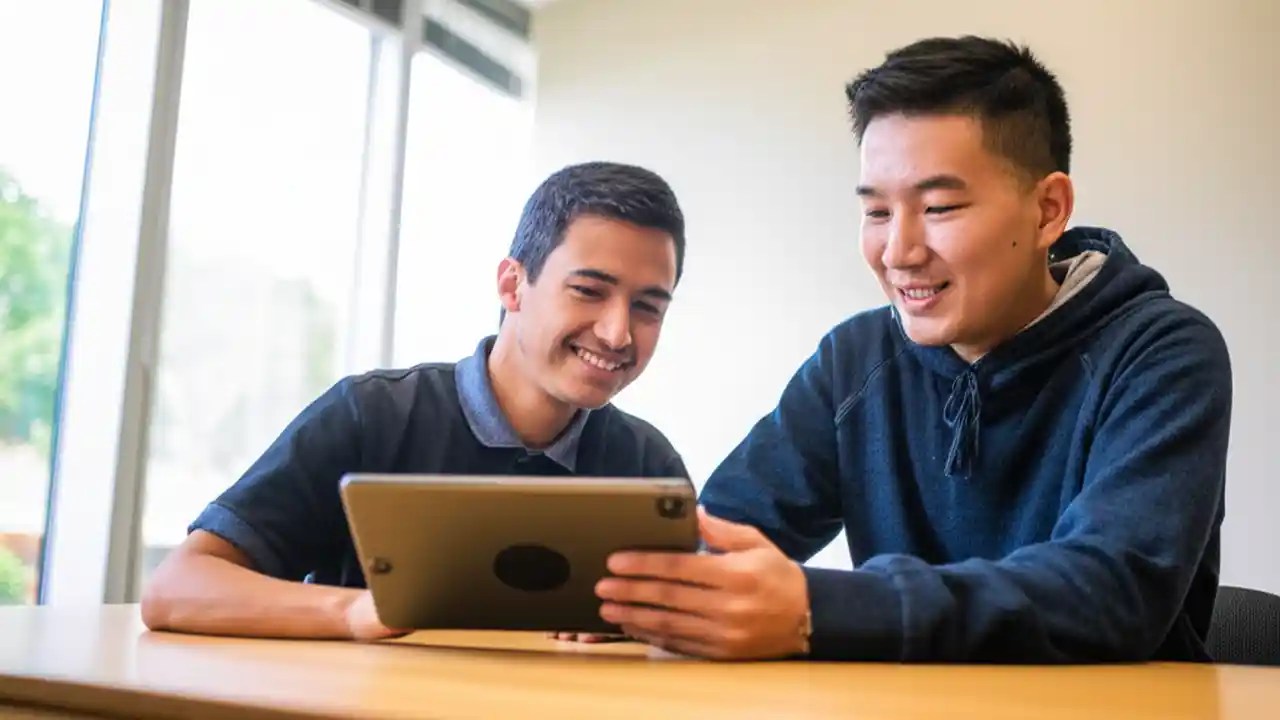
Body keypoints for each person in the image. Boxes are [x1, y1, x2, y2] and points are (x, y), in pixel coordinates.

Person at [596, 36, 1232, 662]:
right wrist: (646, 594)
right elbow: (725, 530)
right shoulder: (855, 360)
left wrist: (818, 610)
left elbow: (1113, 592)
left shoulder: (1160, 353)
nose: (898, 252)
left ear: (1047, 211)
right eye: (876, 213)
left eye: (939, 206)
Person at [142, 161, 691, 641]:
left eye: (647, 306)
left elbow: (686, 620)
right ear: (512, 286)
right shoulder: (371, 415)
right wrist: (355, 612)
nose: (619, 333)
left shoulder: (647, 466)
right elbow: (176, 588)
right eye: (589, 291)